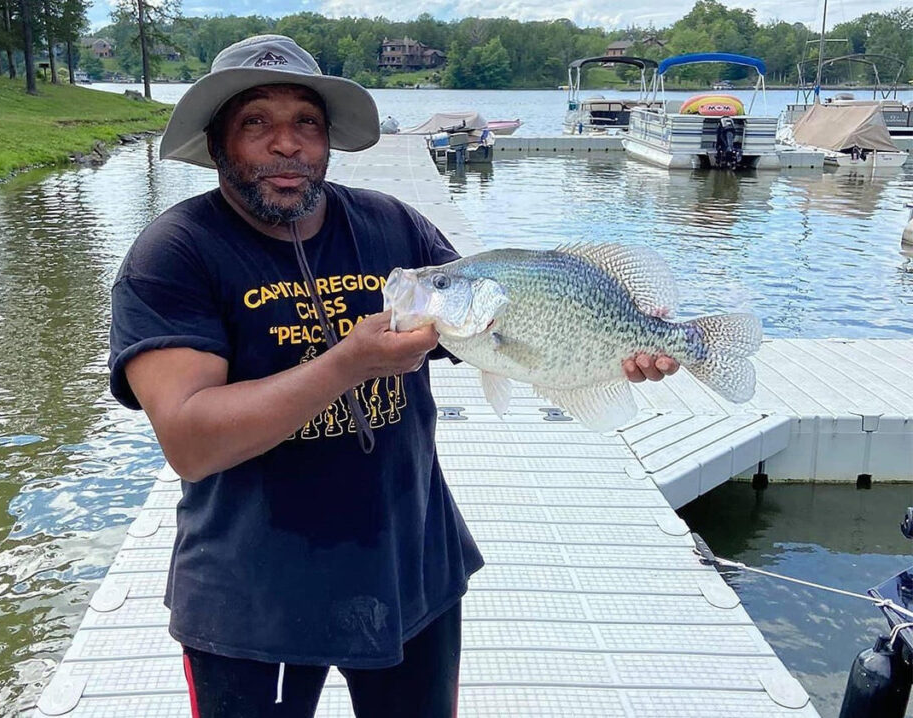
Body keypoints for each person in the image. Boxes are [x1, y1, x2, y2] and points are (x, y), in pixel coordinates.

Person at [108, 34, 678, 718]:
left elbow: (496, 320)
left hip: (408, 569)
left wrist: (612, 346)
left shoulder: (390, 226)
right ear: (217, 140)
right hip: (251, 597)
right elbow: (190, 440)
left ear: (327, 140)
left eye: (306, 123)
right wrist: (348, 364)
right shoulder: (174, 255)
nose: (286, 144)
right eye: (256, 121)